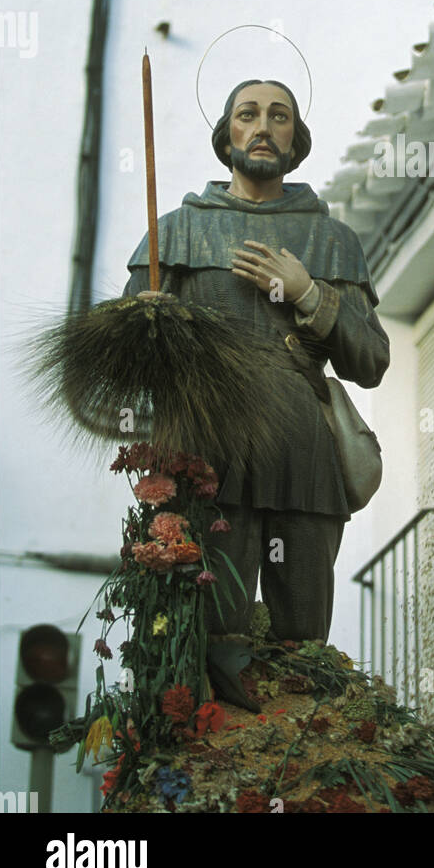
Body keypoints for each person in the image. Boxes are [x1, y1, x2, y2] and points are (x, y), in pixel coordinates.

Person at [124, 79, 389, 707]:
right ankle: (223, 763)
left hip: (303, 447)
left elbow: (372, 359)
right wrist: (150, 321)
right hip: (214, 445)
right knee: (218, 624)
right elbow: (126, 356)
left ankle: (306, 756)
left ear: (296, 139)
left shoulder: (333, 241)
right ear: (227, 136)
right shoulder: (178, 233)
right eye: (248, 115)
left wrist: (308, 294)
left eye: (279, 116)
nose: (264, 126)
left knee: (304, 630)